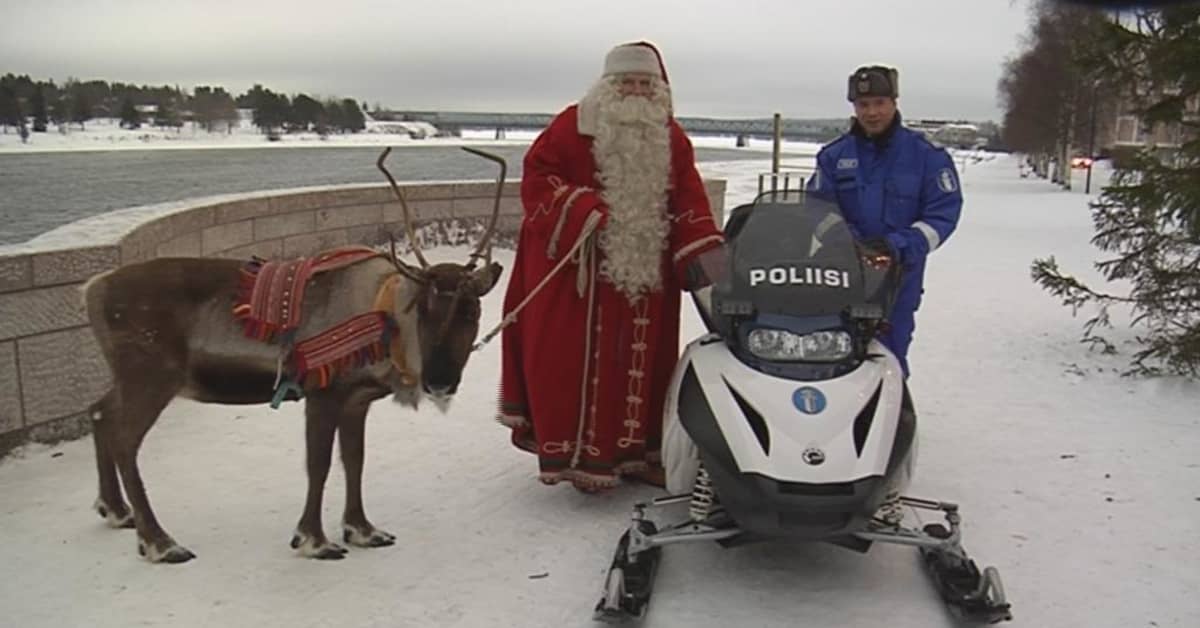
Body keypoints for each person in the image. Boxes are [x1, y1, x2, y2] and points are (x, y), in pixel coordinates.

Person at [497, 41, 726, 492]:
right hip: (583, 278)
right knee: (573, 368)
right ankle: (578, 458)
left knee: (646, 366)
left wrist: (708, 257)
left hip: (646, 275)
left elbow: (688, 197)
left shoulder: (671, 137)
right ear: (609, 86)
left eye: (646, 84)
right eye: (629, 83)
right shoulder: (571, 126)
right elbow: (537, 179)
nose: (638, 92)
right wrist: (582, 209)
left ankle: (638, 457)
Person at [807, 65, 963, 377]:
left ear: (894, 102)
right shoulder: (833, 156)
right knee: (835, 354)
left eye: (879, 103)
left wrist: (897, 245)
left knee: (889, 358)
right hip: (842, 275)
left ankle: (893, 420)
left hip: (898, 279)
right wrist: (846, 241)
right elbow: (816, 211)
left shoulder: (926, 156)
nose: (872, 112)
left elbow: (943, 214)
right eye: (863, 105)